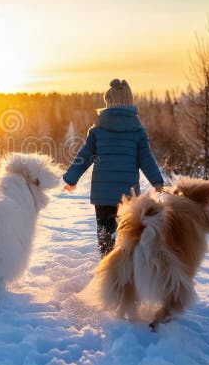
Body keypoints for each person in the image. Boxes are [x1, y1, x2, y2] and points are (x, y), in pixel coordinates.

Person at [63, 79, 164, 257]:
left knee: (105, 237)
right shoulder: (137, 131)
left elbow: (84, 156)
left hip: (103, 195)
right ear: (130, 101)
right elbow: (146, 159)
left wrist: (71, 179)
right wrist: (157, 182)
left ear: (108, 102)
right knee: (128, 236)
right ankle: (126, 269)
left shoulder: (98, 130)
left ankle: (107, 268)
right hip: (128, 196)